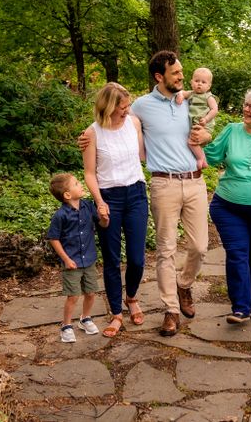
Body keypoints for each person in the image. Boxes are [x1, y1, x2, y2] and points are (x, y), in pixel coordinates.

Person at [82, 51, 212, 337]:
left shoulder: (190, 99)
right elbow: (110, 124)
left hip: (194, 182)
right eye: (176, 73)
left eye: (182, 72)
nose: (182, 76)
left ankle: (184, 285)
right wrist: (86, 138)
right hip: (162, 184)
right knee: (165, 250)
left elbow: (207, 126)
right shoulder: (140, 107)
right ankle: (170, 310)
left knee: (200, 247)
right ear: (159, 76)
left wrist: (207, 136)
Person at [203, 87, 251, 324]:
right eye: (246, 104)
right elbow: (211, 156)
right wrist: (199, 140)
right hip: (228, 206)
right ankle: (240, 307)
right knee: (237, 253)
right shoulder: (232, 130)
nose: (246, 110)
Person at [81, 82, 148, 338]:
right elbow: (89, 173)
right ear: (107, 107)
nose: (127, 110)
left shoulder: (134, 123)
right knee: (111, 259)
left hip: (136, 194)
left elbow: (143, 155)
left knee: (137, 258)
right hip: (109, 197)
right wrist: (99, 202)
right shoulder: (92, 133)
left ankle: (131, 297)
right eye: (122, 107)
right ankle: (117, 312)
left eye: (128, 106)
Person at [46, 173, 109, 343]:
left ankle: (85, 318)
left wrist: (104, 217)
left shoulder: (88, 206)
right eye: (76, 183)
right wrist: (66, 259)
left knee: (91, 292)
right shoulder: (61, 215)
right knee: (73, 296)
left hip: (89, 259)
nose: (81, 184)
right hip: (72, 262)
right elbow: (53, 238)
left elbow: (103, 224)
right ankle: (66, 326)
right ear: (67, 195)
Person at [175, 67, 219, 170]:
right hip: (195, 123)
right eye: (196, 81)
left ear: (209, 86)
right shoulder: (191, 94)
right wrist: (180, 96)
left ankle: (201, 159)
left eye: (203, 82)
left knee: (191, 142)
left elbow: (214, 110)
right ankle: (200, 158)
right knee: (193, 141)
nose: (199, 84)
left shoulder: (208, 97)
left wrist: (206, 119)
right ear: (191, 82)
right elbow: (181, 92)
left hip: (204, 124)